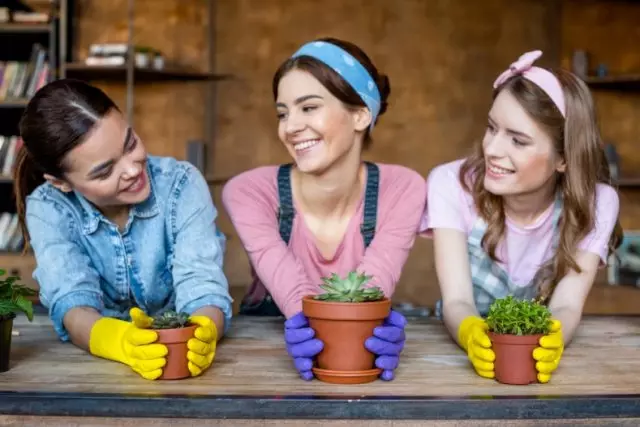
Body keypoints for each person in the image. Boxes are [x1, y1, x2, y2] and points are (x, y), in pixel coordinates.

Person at [222, 38, 426, 381]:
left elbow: (370, 290)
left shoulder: (403, 188)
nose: (290, 127)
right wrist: (350, 331)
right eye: (283, 113)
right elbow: (293, 294)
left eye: (309, 107)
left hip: (355, 362)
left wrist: (356, 335)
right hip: (261, 373)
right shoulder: (249, 192)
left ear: (361, 115)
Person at [420, 50, 622, 383]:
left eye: (518, 140)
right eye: (492, 128)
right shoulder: (449, 184)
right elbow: (457, 300)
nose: (493, 149)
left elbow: (567, 305)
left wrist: (552, 338)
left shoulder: (598, 202)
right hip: (462, 360)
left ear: (563, 159)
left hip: (533, 357)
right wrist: (470, 333)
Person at [14, 79, 233, 380]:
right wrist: (118, 342)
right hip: (98, 374)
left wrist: (204, 330)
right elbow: (72, 301)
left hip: (182, 364)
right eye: (105, 171)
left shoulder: (181, 184)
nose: (132, 170)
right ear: (60, 182)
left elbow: (202, 286)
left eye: (130, 144)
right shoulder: (49, 208)